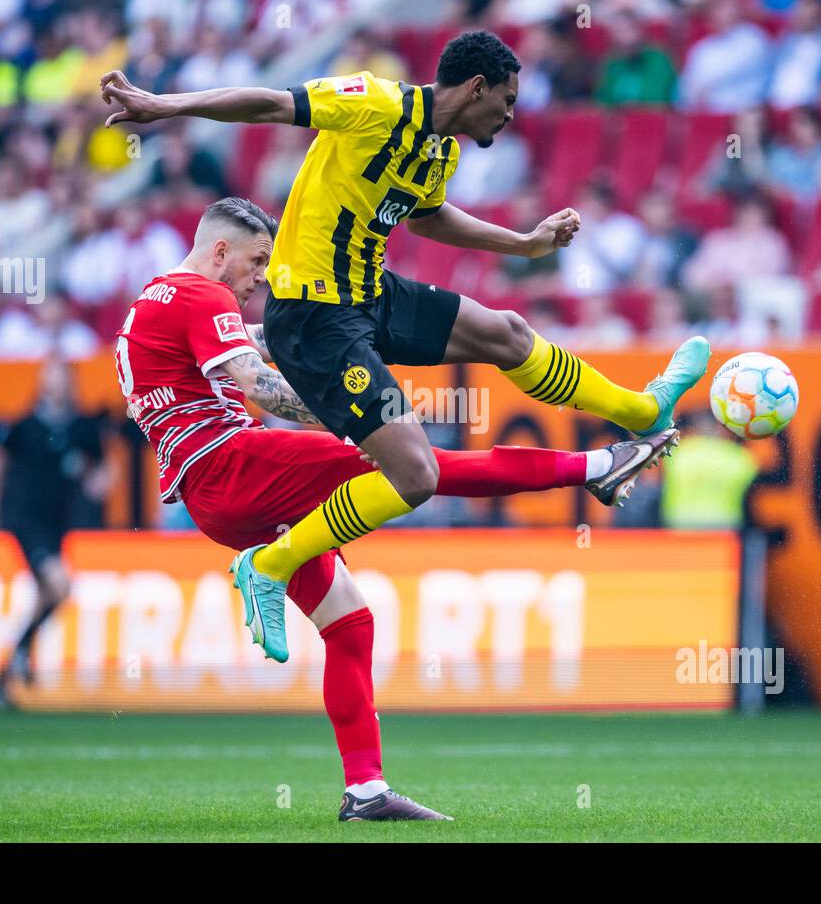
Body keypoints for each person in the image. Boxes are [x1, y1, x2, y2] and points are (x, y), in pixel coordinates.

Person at [100, 29, 710, 662]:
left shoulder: (438, 151)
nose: (510, 113)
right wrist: (165, 106)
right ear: (475, 88)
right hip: (314, 314)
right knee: (415, 473)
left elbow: (427, 215)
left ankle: (642, 412)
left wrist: (525, 244)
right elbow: (272, 103)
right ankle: (274, 564)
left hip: (369, 294)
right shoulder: (374, 102)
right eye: (505, 99)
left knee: (507, 333)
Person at [113, 198, 679, 821]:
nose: (260, 279)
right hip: (237, 464)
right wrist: (350, 414)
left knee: (350, 624)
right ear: (219, 252)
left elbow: (255, 346)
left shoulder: (152, 302)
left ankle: (364, 791)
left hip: (215, 498)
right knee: (420, 467)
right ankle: (599, 467)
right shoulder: (202, 296)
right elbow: (258, 385)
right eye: (255, 262)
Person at [0, 356, 111, 709]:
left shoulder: (82, 426)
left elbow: (101, 467)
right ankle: (23, 653)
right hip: (25, 519)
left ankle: (4, 673)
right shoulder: (25, 425)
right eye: (49, 376)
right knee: (61, 586)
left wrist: (99, 481)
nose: (56, 383)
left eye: (61, 376)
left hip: (58, 522)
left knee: (47, 596)